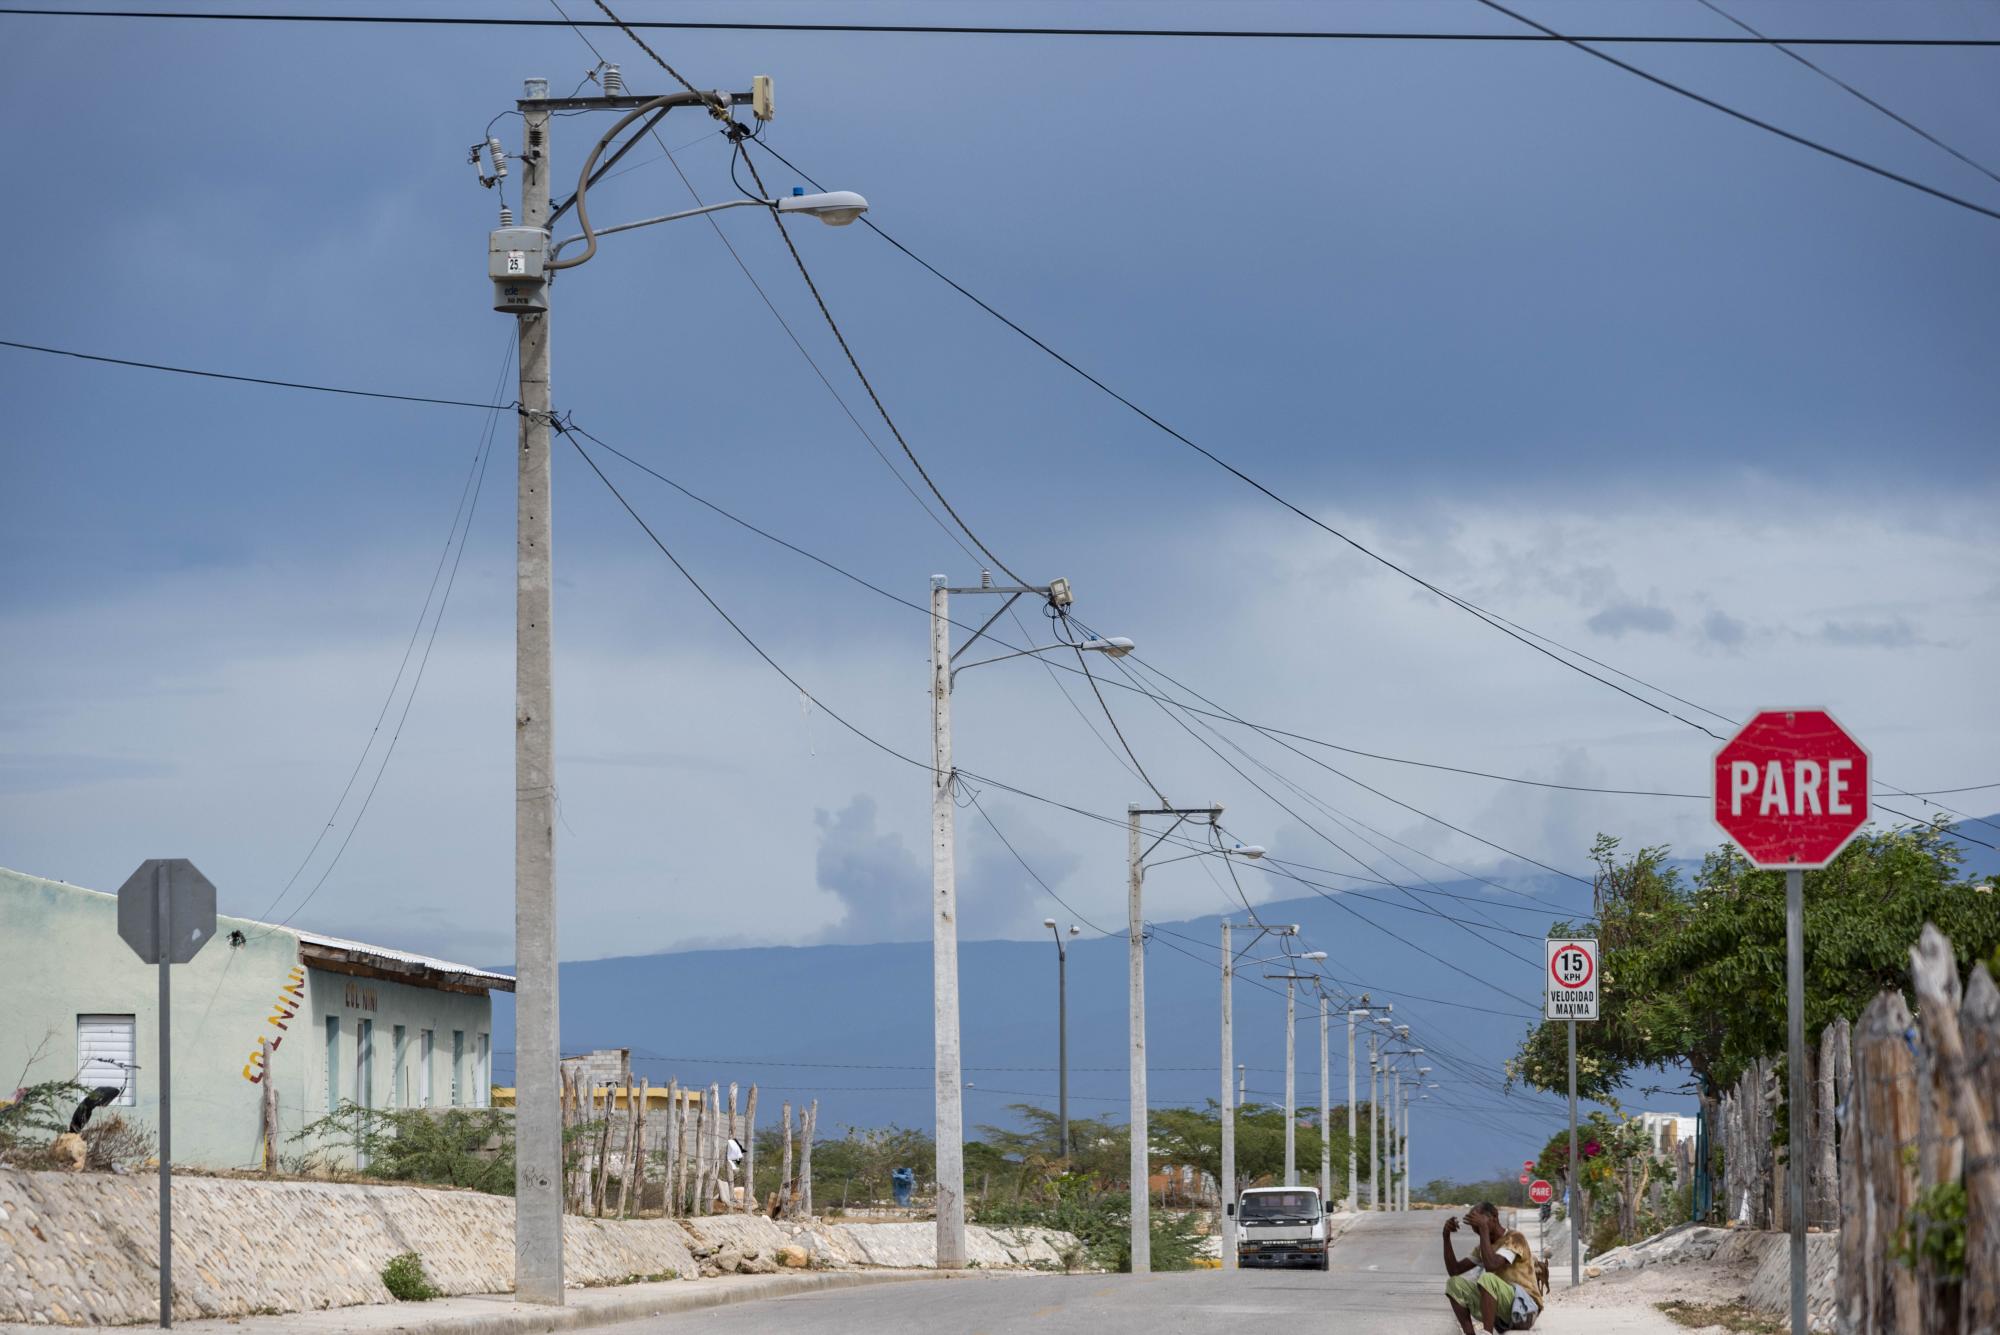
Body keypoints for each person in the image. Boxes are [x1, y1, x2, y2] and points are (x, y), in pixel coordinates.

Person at [1443, 1202, 1543, 1334]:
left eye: (1480, 1225)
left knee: (1487, 1278)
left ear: (1494, 1217)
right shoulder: (1484, 1248)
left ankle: (1487, 1333)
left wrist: (1483, 1228)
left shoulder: (1515, 1238)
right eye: (1475, 1228)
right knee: (1454, 1283)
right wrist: (1446, 1237)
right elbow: (1454, 1270)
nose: (1478, 1231)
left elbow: (1492, 1266)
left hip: (1525, 1309)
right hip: (1502, 1314)